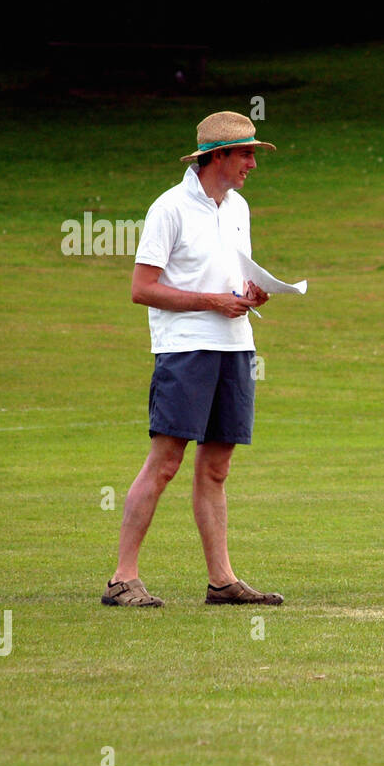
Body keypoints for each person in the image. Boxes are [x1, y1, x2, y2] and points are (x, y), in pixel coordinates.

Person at [102, 111, 284, 607]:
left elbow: (229, 273)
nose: (253, 163)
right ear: (217, 156)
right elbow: (142, 289)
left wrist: (250, 293)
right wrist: (211, 300)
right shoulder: (169, 208)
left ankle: (222, 581)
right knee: (166, 461)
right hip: (185, 349)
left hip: (236, 343)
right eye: (246, 153)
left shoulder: (239, 206)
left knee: (218, 468)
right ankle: (123, 578)